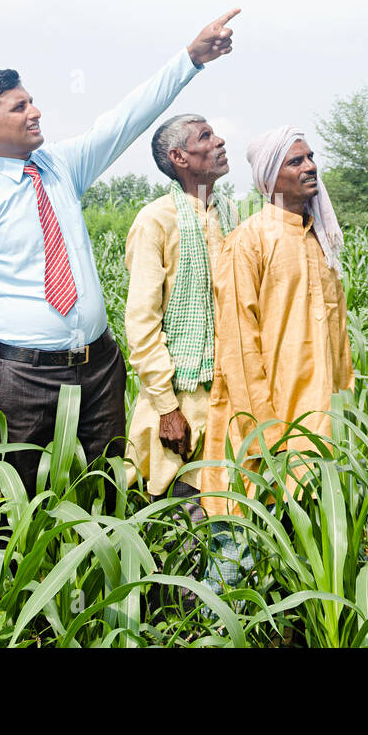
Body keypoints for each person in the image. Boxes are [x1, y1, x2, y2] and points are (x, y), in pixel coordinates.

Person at [0, 8, 239, 499]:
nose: (35, 111)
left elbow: (127, 118)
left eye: (32, 101)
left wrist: (191, 59)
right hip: (23, 376)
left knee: (104, 496)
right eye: (18, 108)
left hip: (99, 369)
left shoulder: (60, 167)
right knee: (20, 507)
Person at [201, 126, 353, 519]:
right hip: (269, 430)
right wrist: (266, 436)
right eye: (296, 161)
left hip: (322, 421)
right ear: (271, 178)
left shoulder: (320, 240)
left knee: (313, 548)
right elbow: (237, 347)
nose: (310, 167)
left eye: (311, 158)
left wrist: (345, 412)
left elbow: (337, 343)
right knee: (245, 542)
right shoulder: (248, 241)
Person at [124, 114, 236, 502]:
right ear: (179, 157)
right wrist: (168, 409)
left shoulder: (230, 213)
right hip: (179, 401)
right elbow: (141, 323)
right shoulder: (155, 220)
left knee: (227, 510)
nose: (220, 141)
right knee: (178, 515)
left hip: (227, 393)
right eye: (206, 136)